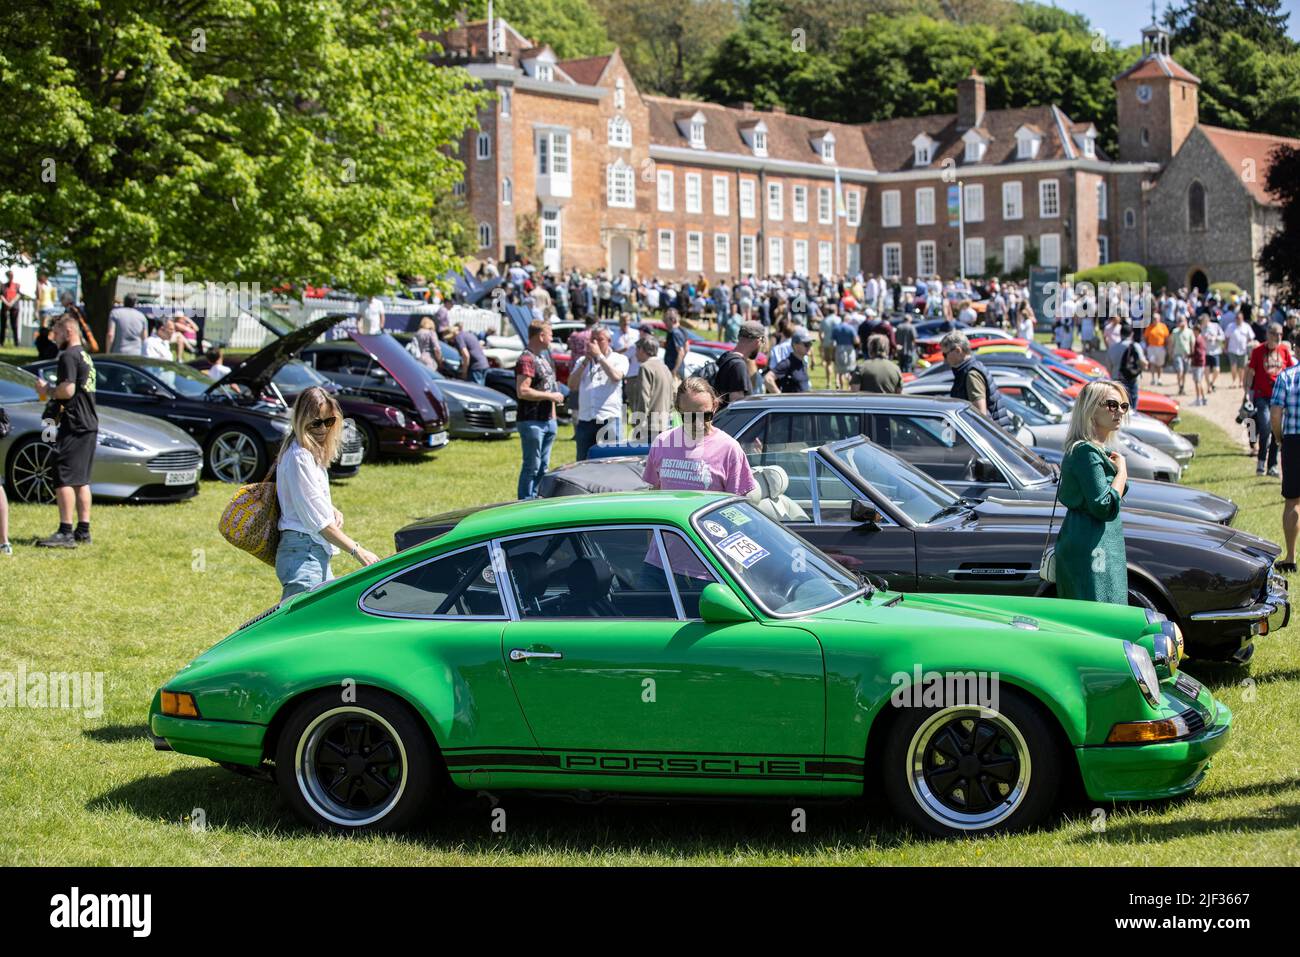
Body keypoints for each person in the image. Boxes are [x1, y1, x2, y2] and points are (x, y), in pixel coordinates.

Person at [274, 386, 378, 599]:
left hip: (311, 551)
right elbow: (319, 523)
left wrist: (332, 508)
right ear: (302, 420)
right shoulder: (299, 456)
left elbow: (304, 496)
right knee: (301, 629)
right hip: (303, 553)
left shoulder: (308, 454)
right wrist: (359, 551)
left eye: (328, 422)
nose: (323, 429)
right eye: (316, 423)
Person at [1054, 380, 1130, 604]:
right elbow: (1104, 505)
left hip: (1100, 543)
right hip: (1092, 547)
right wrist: (1122, 472)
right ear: (1090, 408)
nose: (1119, 412)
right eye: (1111, 405)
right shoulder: (1085, 451)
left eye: (1124, 406)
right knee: (1100, 616)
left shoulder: (1099, 449)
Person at [34, 315, 98, 548]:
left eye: (58, 333)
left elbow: (67, 390)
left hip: (75, 422)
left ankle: (65, 532)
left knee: (63, 476)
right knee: (81, 480)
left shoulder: (69, 356)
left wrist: (47, 389)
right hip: (89, 421)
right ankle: (84, 530)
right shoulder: (84, 355)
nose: (55, 337)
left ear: (69, 331)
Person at [642, 378, 756, 495]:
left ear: (714, 406)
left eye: (705, 416)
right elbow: (654, 494)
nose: (698, 423)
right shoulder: (662, 442)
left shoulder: (730, 449)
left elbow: (737, 503)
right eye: (690, 417)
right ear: (678, 410)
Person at [514, 319, 563, 499]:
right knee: (532, 466)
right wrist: (551, 397)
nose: (552, 338)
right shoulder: (526, 359)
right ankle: (525, 501)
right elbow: (522, 390)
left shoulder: (542, 358)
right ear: (541, 336)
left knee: (543, 466)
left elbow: (549, 386)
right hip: (532, 420)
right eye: (550, 334)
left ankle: (537, 500)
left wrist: (553, 418)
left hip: (547, 420)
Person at [1245, 323, 1296, 476]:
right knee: (1266, 426)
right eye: (1275, 334)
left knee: (1276, 430)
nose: (1278, 337)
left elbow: (1291, 370)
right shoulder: (1258, 351)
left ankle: (1271, 466)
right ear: (1268, 334)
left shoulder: (1284, 351)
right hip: (1262, 395)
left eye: (1281, 334)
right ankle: (1261, 461)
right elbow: (1250, 372)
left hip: (1280, 397)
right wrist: (1247, 393)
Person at [571, 326, 627, 460]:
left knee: (612, 463)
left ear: (609, 341)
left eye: (599, 339)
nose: (595, 343)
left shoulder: (619, 359)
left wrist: (599, 357)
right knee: (583, 462)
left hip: (609, 419)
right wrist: (585, 361)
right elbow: (572, 385)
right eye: (592, 339)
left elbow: (616, 376)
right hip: (586, 420)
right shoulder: (581, 361)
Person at [941, 331, 1013, 429]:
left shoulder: (971, 374)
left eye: (945, 354)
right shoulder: (970, 369)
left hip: (989, 438)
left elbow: (980, 416)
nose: (944, 360)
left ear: (958, 350)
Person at [1270, 361, 1300, 573]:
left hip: (1293, 441)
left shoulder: (1286, 376)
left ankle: (1290, 558)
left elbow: (1275, 414)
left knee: (1293, 502)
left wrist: (1280, 438)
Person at [626, 336, 674, 443]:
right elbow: (672, 398)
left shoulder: (645, 367)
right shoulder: (665, 368)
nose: (635, 354)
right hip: (664, 423)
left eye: (637, 350)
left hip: (648, 426)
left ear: (642, 350)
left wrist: (639, 423)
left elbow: (644, 397)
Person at [715, 321, 764, 408]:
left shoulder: (726, 356)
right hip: (725, 420)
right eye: (762, 342)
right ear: (758, 341)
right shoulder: (738, 366)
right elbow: (737, 407)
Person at [764, 327, 813, 393]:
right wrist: (781, 398)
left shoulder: (801, 362)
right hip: (792, 403)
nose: (809, 347)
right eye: (806, 344)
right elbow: (768, 379)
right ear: (795, 345)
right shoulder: (787, 363)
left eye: (810, 343)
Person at [1112, 323, 1148, 410]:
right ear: (1131, 334)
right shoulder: (1135, 346)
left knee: (1117, 408)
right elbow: (1143, 363)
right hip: (1132, 379)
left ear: (1120, 334)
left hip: (1117, 379)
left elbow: (1109, 366)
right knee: (1131, 408)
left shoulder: (1113, 348)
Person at [1168, 315, 1194, 395]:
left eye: (1183, 321)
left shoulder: (1189, 331)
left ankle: (1182, 386)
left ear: (1186, 322)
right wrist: (1170, 353)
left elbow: (1192, 343)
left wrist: (1192, 354)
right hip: (1177, 354)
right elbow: (1171, 343)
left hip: (1186, 355)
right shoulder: (1175, 331)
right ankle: (1180, 386)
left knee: (1184, 372)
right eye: (1180, 321)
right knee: (1180, 370)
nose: (1182, 323)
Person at [662, 309, 689, 381]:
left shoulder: (675, 333)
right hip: (679, 368)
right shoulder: (682, 330)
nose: (664, 323)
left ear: (672, 320)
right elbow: (687, 348)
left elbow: (681, 352)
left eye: (665, 320)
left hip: (673, 370)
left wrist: (675, 369)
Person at [1144, 314, 1169, 385]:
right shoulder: (1149, 327)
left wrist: (1166, 347)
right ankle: (1152, 379)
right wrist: (1147, 347)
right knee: (1152, 363)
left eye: (1156, 318)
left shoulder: (1163, 326)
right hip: (1151, 347)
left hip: (1161, 347)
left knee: (1159, 364)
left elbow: (1167, 337)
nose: (1155, 320)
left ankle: (1159, 379)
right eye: (1154, 318)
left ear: (1159, 319)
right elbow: (1145, 337)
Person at [1190, 320, 1208, 406]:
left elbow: (1198, 353)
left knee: (1197, 382)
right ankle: (1203, 398)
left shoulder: (1198, 340)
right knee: (1199, 381)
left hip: (1198, 364)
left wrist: (1190, 356)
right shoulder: (1201, 339)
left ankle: (1198, 399)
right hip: (1201, 363)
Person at [0, 271, 19, 347]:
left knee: (14, 325)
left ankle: (16, 343)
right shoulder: (3, 286)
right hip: (5, 306)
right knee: (3, 325)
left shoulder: (16, 285)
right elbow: (1, 295)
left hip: (14, 307)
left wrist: (11, 303)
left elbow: (18, 295)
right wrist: (6, 303)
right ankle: (1, 342)